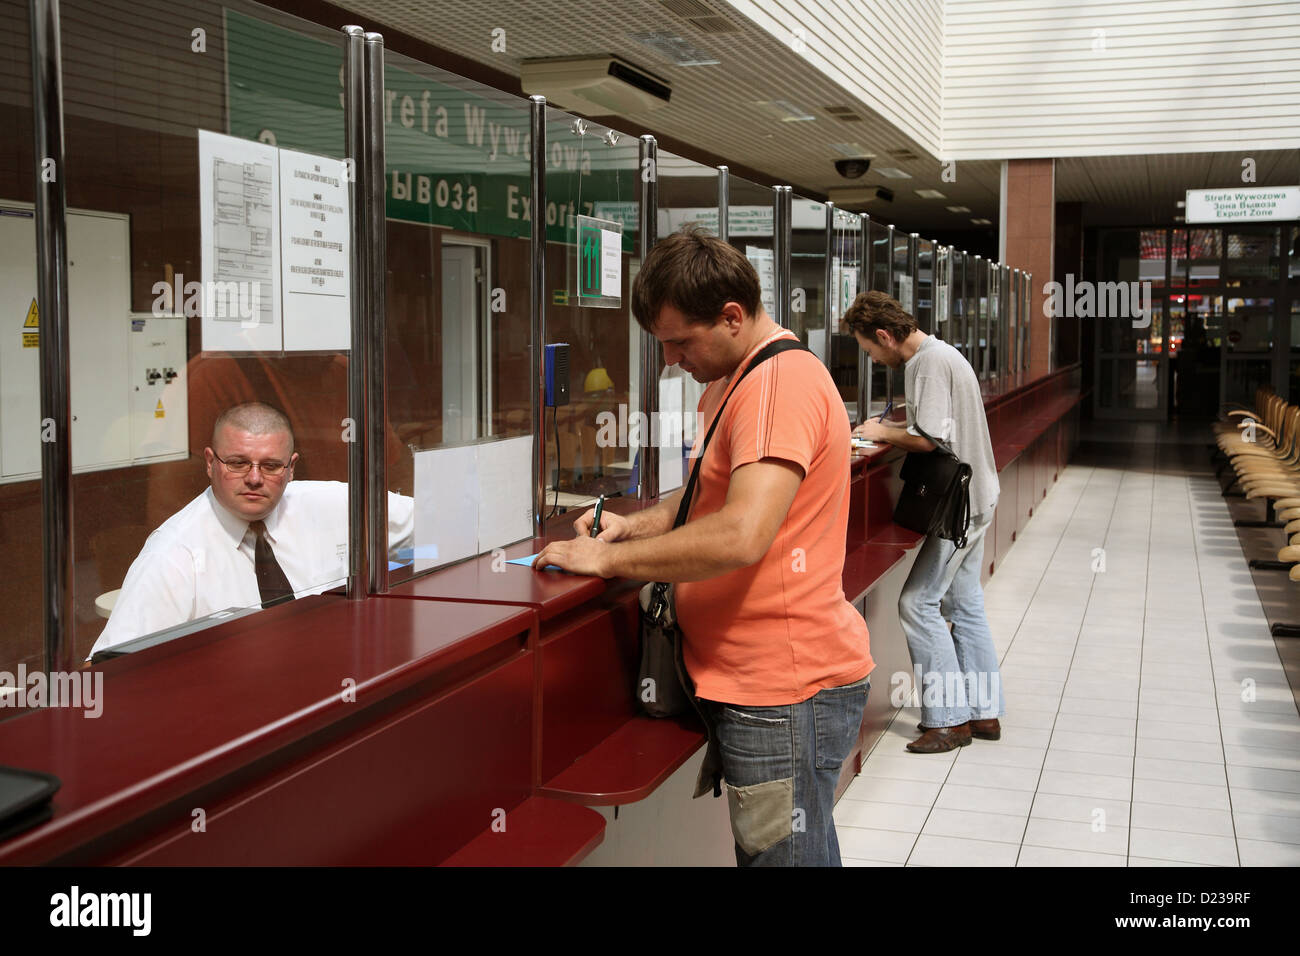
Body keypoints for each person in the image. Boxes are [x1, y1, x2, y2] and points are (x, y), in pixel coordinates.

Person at [534, 227, 872, 867]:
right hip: (757, 684)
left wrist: (605, 560)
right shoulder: (736, 379)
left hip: (780, 691)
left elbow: (742, 534)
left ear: (733, 316)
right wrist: (629, 528)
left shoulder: (776, 388)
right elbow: (702, 502)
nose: (669, 360)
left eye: (680, 342)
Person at [91, 402, 413, 657]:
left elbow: (431, 518)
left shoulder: (327, 506)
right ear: (209, 462)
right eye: (238, 463)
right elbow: (108, 671)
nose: (255, 478)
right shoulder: (174, 555)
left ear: (291, 469)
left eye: (271, 466)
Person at [844, 290, 1005, 754]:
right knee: (965, 604)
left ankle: (949, 721)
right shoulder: (943, 354)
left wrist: (878, 431)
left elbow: (930, 439)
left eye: (868, 348)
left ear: (883, 335)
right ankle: (983, 712)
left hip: (958, 508)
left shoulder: (926, 364)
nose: (872, 357)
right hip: (979, 496)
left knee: (917, 604)